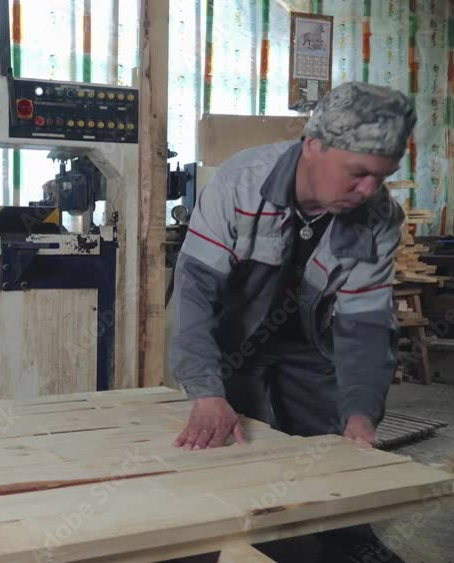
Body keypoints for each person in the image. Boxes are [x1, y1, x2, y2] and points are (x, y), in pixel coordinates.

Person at [167, 81, 416, 563]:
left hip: (310, 351)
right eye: (358, 173)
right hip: (236, 346)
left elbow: (366, 326)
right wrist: (206, 391)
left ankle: (347, 542)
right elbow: (195, 293)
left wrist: (362, 415)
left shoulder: (379, 218)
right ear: (314, 146)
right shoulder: (241, 182)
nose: (369, 191)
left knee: (331, 467)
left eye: (382, 177)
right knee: (233, 462)